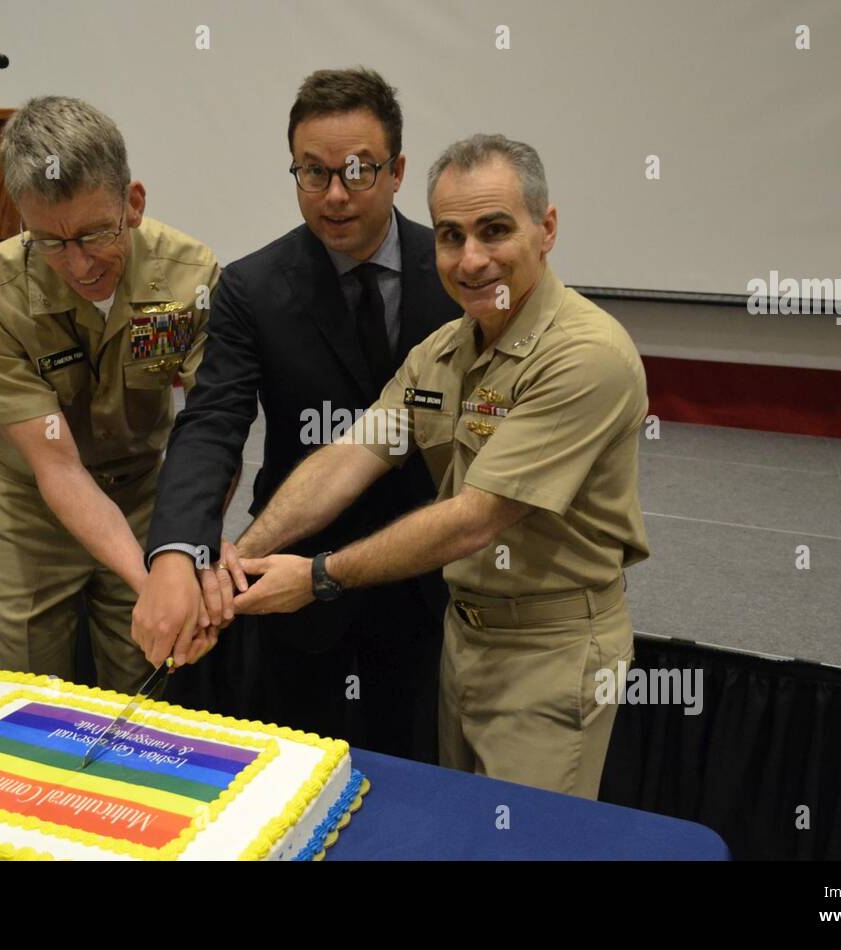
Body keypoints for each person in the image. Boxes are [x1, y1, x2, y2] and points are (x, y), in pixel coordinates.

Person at [228, 134, 650, 799]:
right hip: (464, 636)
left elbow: (473, 521)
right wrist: (241, 557)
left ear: (547, 229)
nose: (471, 259)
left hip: (553, 652)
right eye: (451, 236)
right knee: (466, 834)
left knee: (522, 849)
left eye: (494, 231)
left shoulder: (585, 355)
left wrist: (318, 576)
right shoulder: (443, 351)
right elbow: (351, 455)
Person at [134, 68, 457, 762]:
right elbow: (213, 422)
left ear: (397, 170)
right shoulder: (253, 287)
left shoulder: (456, 272)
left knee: (417, 785)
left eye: (357, 171)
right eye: (313, 173)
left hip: (432, 583)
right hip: (294, 589)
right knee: (290, 782)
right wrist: (178, 550)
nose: (335, 195)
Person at [0, 96, 220, 692]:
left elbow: (212, 428)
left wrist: (184, 550)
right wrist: (151, 580)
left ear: (134, 203)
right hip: (33, 514)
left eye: (95, 233)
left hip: (148, 499)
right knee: (25, 702)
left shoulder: (190, 277)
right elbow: (58, 467)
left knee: (144, 695)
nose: (78, 263)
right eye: (49, 241)